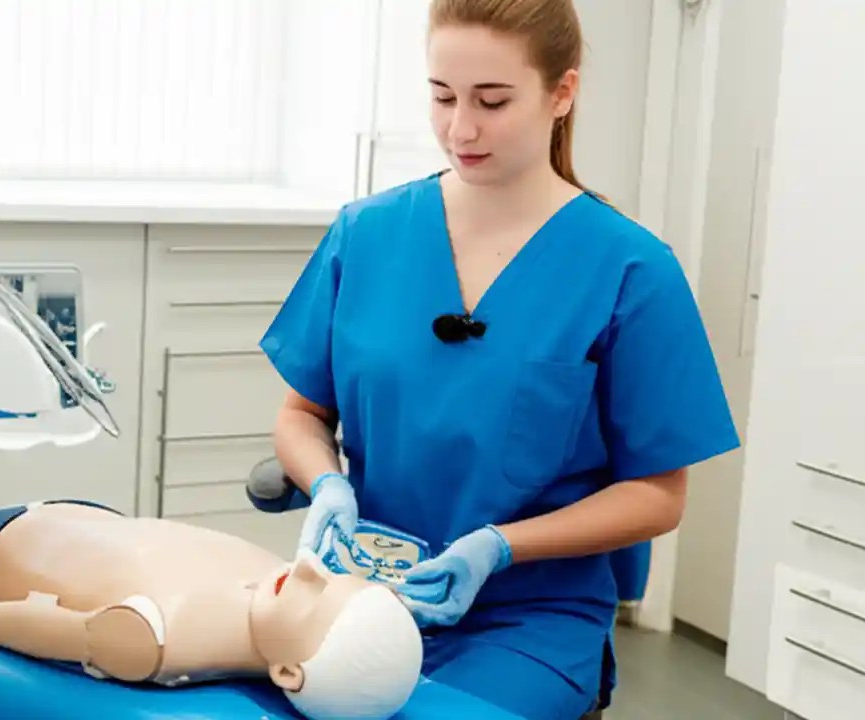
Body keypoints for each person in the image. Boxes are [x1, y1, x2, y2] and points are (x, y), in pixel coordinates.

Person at [259, 1, 741, 719]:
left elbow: (657, 494)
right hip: (360, 600)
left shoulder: (631, 269)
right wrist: (326, 483)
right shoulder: (366, 235)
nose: (461, 129)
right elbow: (301, 415)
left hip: (527, 621)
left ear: (562, 93)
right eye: (442, 97)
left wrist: (499, 546)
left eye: (492, 102)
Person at [0, 500, 423, 720]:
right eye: (332, 576)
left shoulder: (157, 639)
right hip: (79, 513)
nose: (310, 568)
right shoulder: (275, 584)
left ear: (289, 673)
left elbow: (47, 629)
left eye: (316, 596)